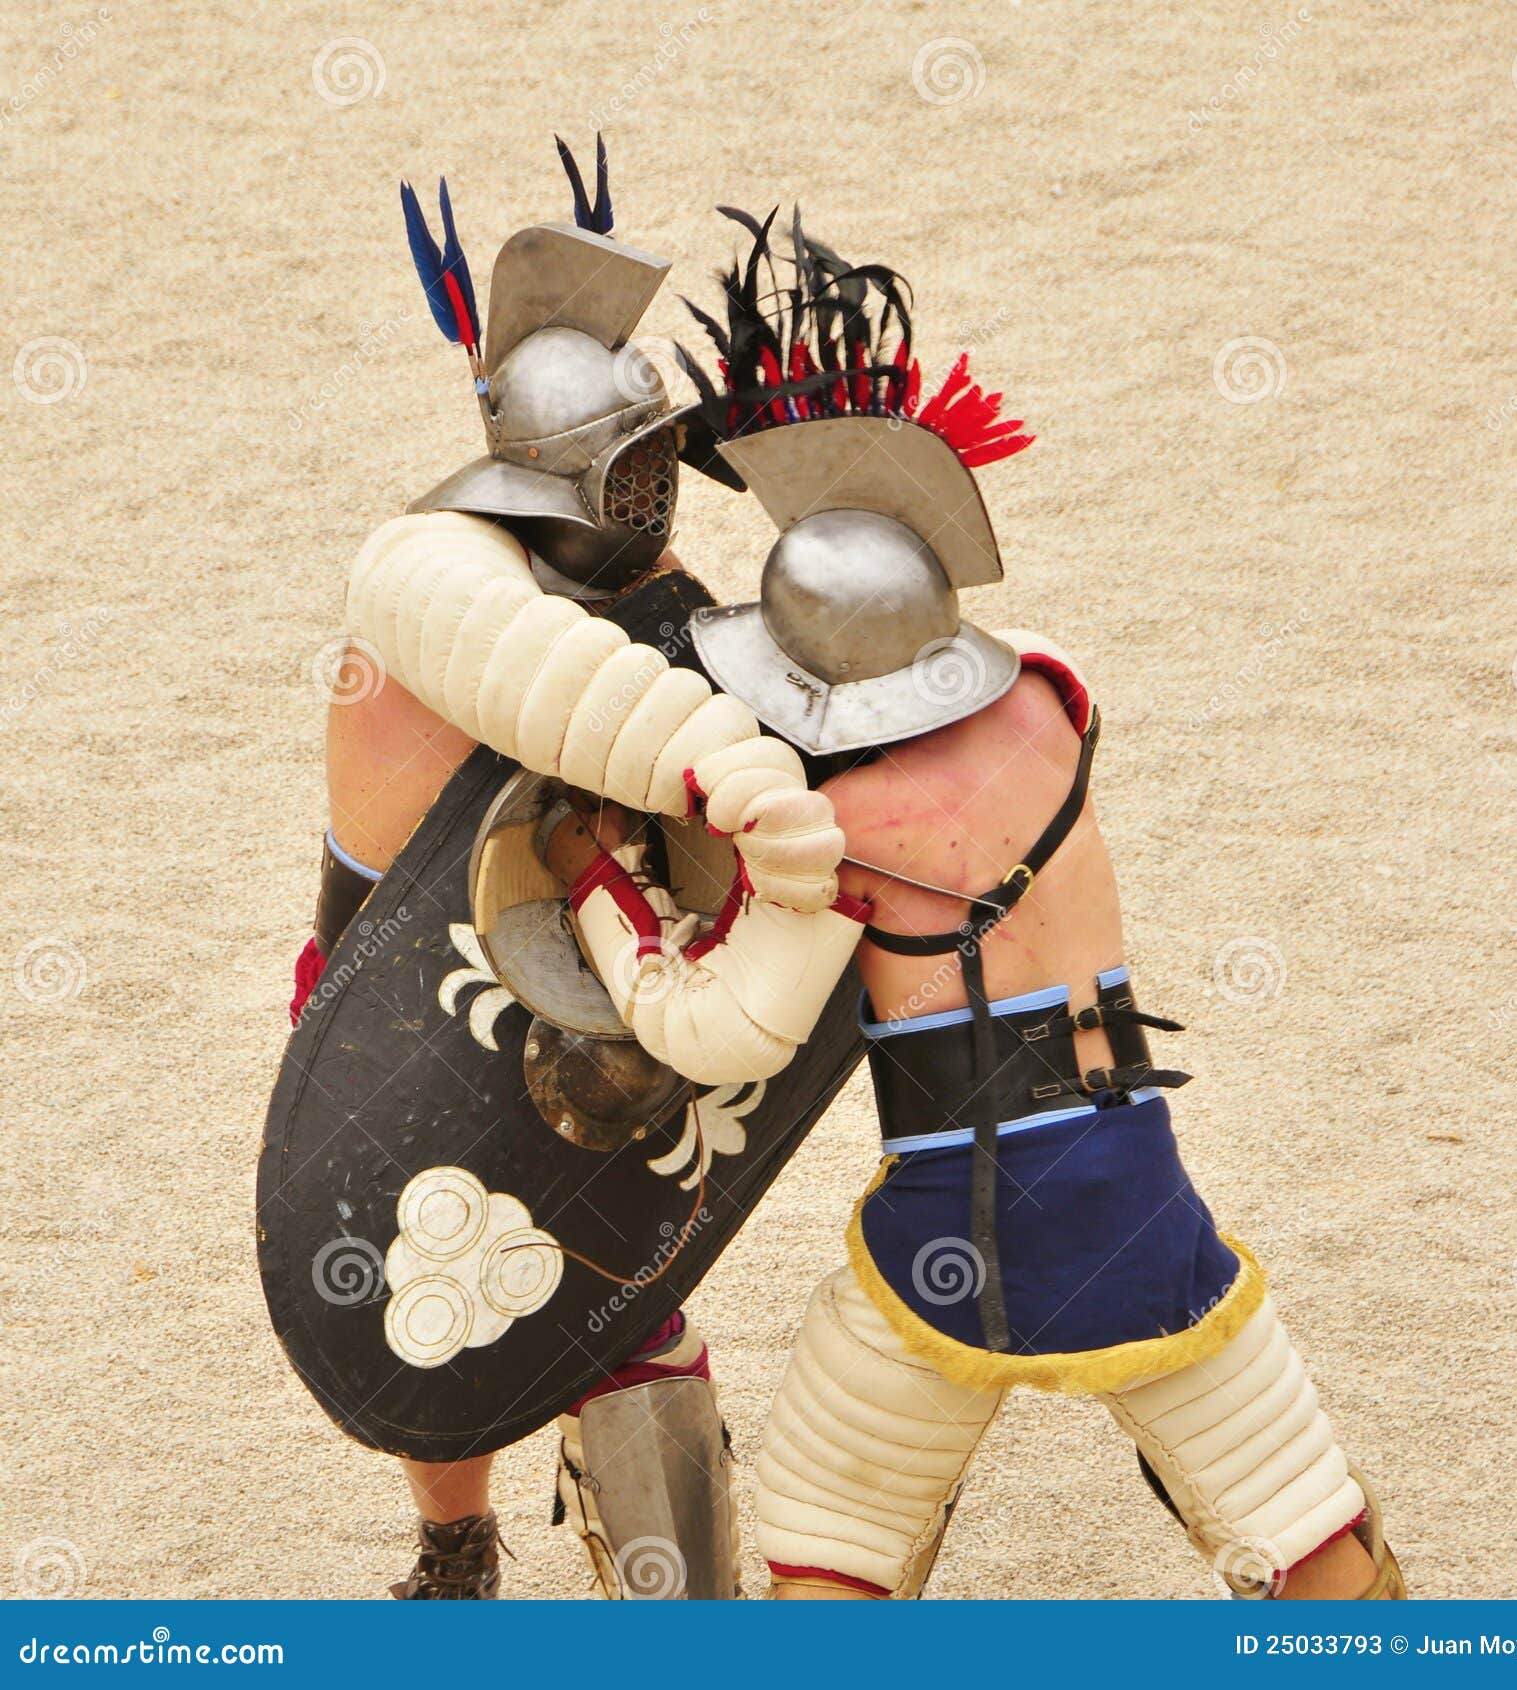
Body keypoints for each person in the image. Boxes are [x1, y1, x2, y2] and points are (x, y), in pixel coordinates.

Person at [517, 214, 1407, 1601]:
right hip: (1140, 1185)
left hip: (963, 1230)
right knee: (1303, 1531)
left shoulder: (835, 832)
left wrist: (591, 879)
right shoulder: (1055, 698)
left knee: (833, 1542)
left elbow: (721, 1022)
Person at [275, 141, 809, 1600]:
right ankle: (457, 1540)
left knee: (617, 1298)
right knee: (421, 1269)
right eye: (619, 468)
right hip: (406, 996)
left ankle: (665, 1602)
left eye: (658, 461)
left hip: (590, 971)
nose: (650, 494)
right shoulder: (450, 607)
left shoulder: (633, 607)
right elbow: (583, 714)